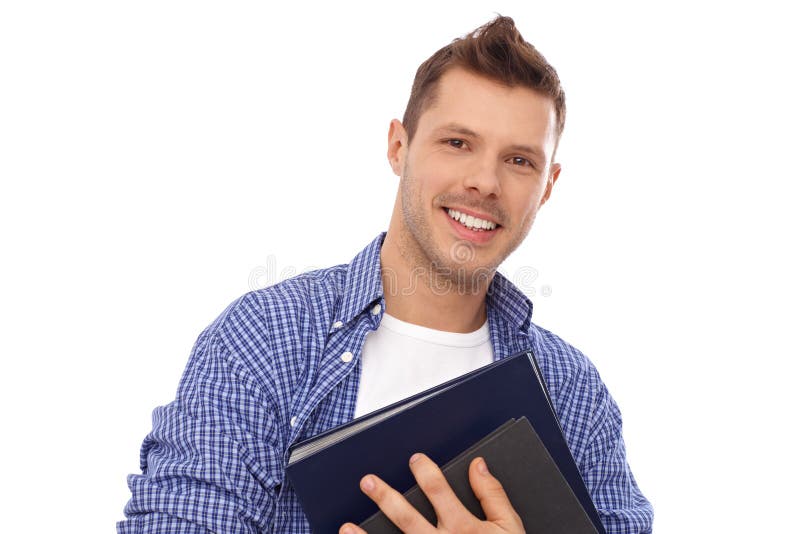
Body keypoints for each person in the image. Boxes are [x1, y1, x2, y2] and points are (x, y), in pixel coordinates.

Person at [118, 15, 653, 534]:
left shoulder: (573, 391)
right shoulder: (265, 341)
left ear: (549, 185)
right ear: (399, 146)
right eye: (457, 143)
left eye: (519, 161)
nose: (485, 182)